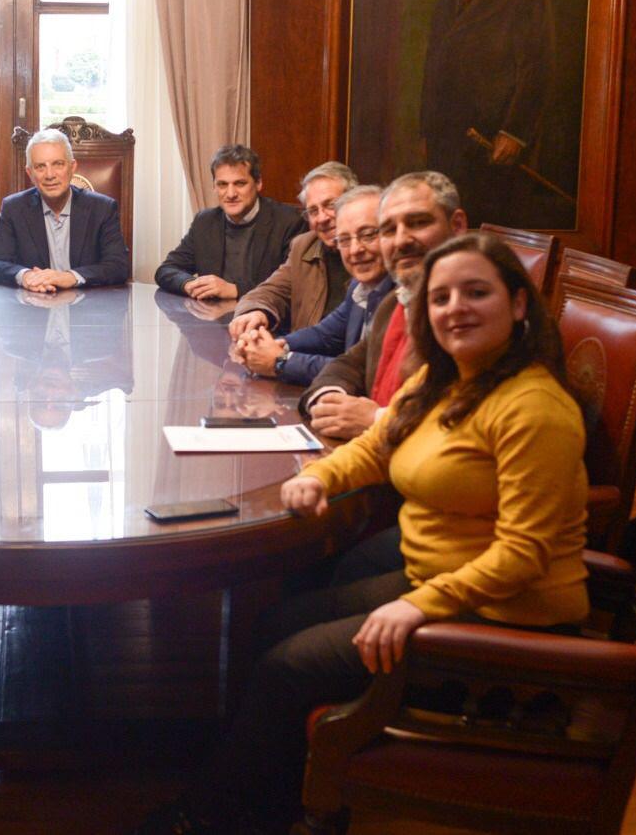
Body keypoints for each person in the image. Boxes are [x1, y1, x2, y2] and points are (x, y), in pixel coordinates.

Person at [139, 232, 589, 833]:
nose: (455, 307)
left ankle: (210, 819)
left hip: (504, 610)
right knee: (271, 624)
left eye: (476, 292)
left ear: (518, 304)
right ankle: (269, 792)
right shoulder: (442, 378)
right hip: (437, 582)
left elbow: (525, 554)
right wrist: (322, 476)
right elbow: (378, 449)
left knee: (285, 666)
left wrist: (416, 608)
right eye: (441, 296)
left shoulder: (534, 407)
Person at [300, 170, 468, 442]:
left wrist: (376, 418)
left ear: (457, 225)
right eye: (389, 230)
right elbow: (350, 363)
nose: (401, 240)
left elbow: (475, 412)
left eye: (418, 222)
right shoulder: (397, 301)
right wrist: (330, 400)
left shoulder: (481, 307)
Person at [420, 0, 559, 227]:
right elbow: (432, 70)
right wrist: (427, 130)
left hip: (491, 145)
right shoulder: (446, 0)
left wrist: (514, 133)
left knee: (488, 229)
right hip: (446, 143)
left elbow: (537, 74)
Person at [235, 184, 394, 385]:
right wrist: (266, 347)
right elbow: (325, 334)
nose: (355, 250)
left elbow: (369, 374)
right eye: (344, 240)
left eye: (368, 235)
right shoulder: (359, 285)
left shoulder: (405, 294)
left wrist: (281, 361)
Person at [0, 128, 132, 290]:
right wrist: (25, 275)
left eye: (58, 164)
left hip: (87, 308)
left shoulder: (103, 208)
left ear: (72, 167)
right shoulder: (13, 208)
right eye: (40, 167)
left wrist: (70, 277)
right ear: (30, 173)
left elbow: (119, 266)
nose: (49, 175)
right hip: (33, 307)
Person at [227, 161, 359, 343]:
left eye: (331, 205)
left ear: (354, 202)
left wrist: (282, 357)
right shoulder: (303, 246)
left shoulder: (372, 252)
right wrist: (256, 312)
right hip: (302, 357)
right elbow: (271, 291)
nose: (322, 218)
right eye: (313, 211)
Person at [154, 145, 304, 300]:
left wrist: (235, 290)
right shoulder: (205, 222)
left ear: (258, 183)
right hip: (210, 320)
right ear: (214, 186)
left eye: (240, 183)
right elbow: (166, 270)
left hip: (265, 319)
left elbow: (294, 283)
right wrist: (189, 284)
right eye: (222, 184)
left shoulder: (289, 222)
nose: (231, 194)